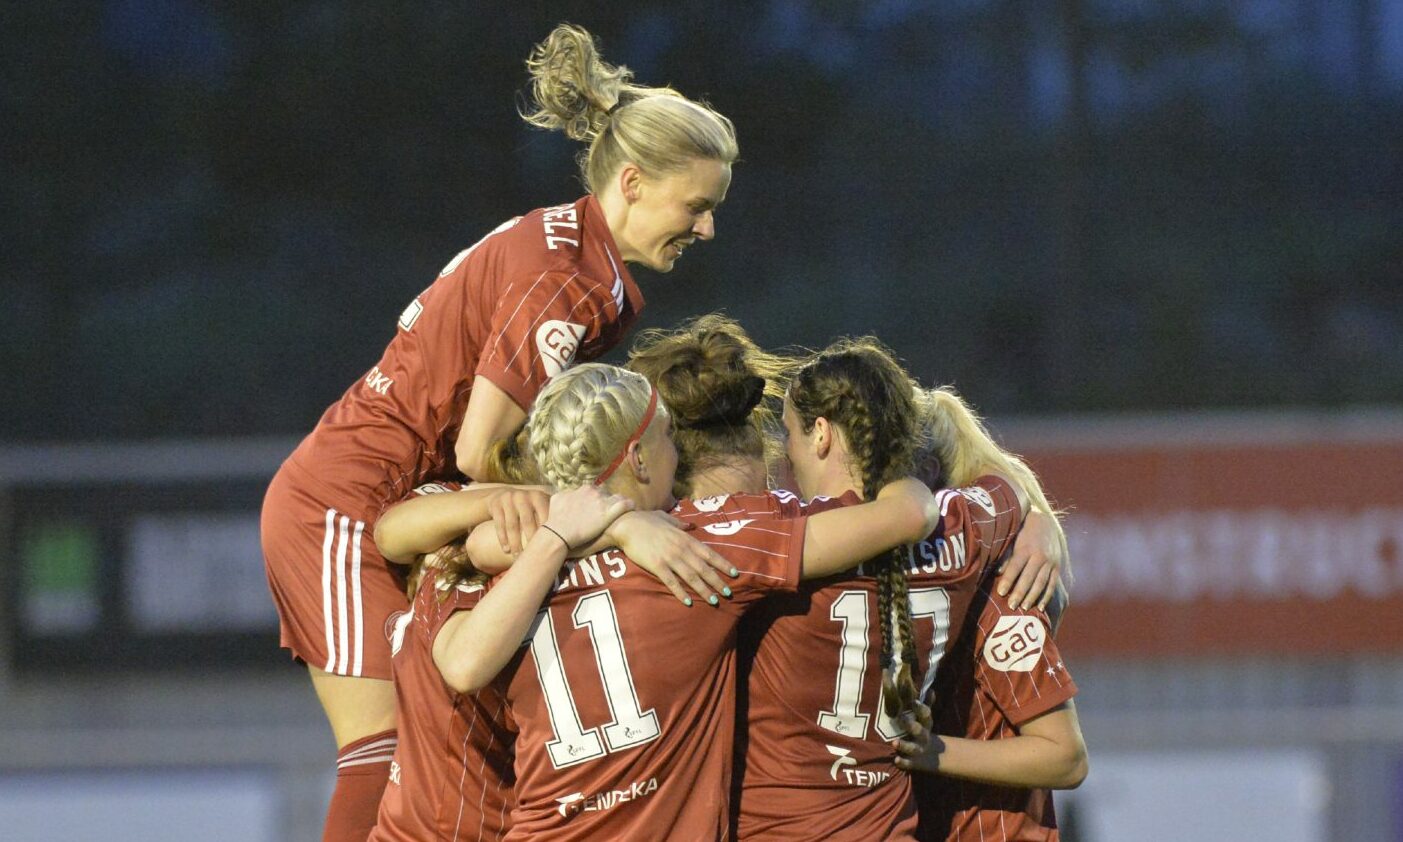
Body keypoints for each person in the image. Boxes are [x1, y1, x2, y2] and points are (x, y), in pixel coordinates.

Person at [258, 22, 738, 839]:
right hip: (341, 505)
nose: (706, 229)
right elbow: (484, 451)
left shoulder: (585, 264)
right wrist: (616, 518)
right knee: (384, 748)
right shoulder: (566, 280)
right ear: (631, 181)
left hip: (409, 498)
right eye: (696, 206)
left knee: (453, 746)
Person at [390, 359, 951, 840]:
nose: (677, 457)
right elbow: (904, 517)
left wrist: (593, 530)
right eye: (667, 438)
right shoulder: (695, 549)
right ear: (636, 457)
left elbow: (452, 641)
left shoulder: (500, 549)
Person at [731, 340, 1064, 840]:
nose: (786, 453)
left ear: (821, 433)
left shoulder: (789, 537)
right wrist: (1042, 523)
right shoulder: (961, 533)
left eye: (789, 433)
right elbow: (1007, 488)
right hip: (889, 824)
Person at [894, 387, 1088, 841]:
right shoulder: (877, 584)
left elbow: (1066, 756)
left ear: (926, 479)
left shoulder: (1002, 591)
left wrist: (934, 751)